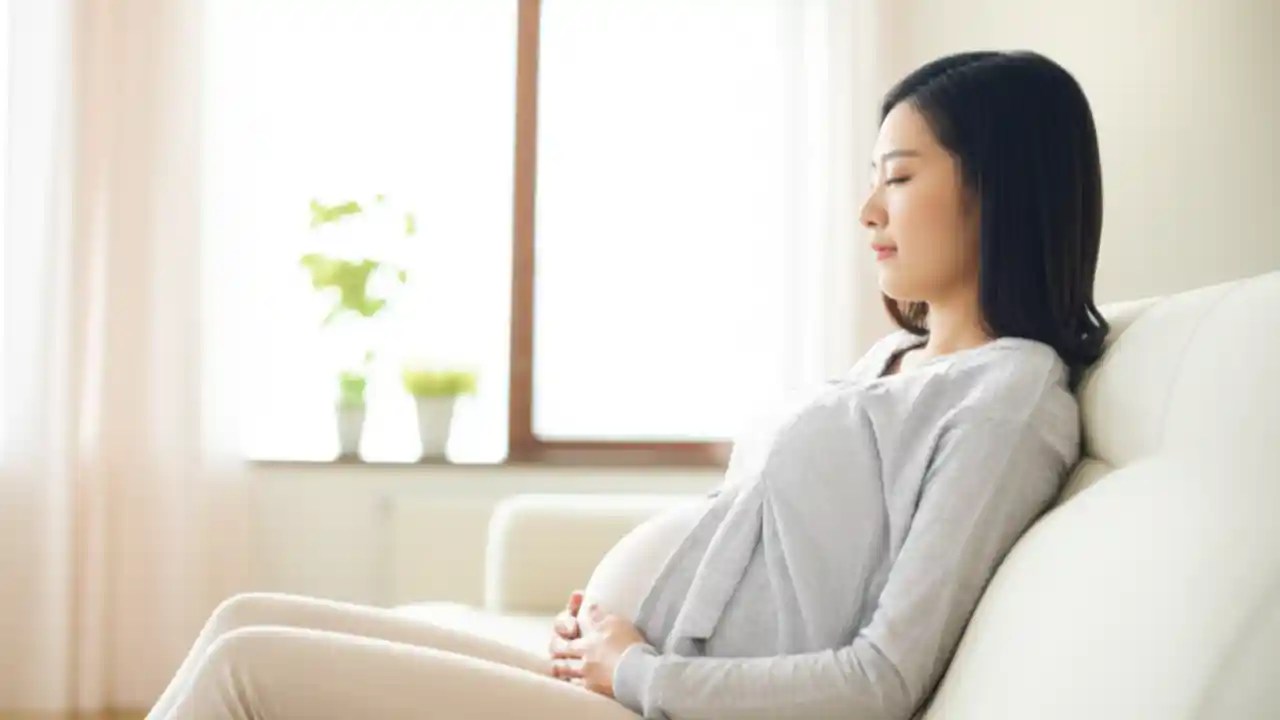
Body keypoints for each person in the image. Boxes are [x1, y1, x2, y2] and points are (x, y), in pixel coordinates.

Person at [147, 49, 1108, 720]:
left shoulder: (1008, 400)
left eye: (898, 178)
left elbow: (881, 678)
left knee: (245, 668)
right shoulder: (895, 361)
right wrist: (614, 629)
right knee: (245, 616)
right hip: (629, 680)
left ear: (1000, 186)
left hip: (668, 705)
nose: (867, 210)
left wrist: (636, 665)